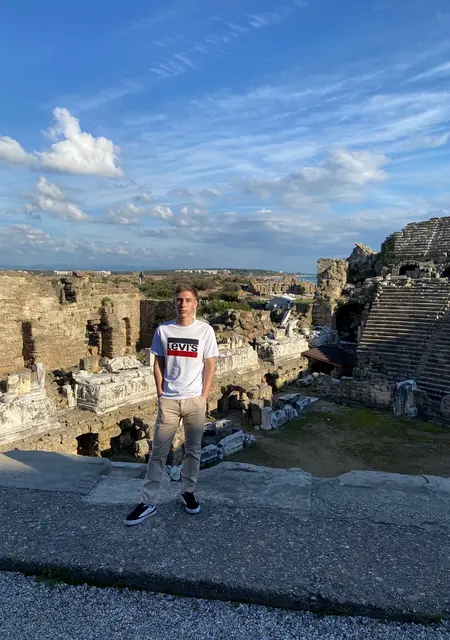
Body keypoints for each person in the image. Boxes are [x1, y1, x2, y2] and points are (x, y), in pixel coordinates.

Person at [124, 284, 219, 526]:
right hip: (169, 399)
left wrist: (203, 396)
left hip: (194, 399)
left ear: (196, 303)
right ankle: (148, 501)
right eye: (179, 300)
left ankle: (188, 491)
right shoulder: (163, 330)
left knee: (193, 450)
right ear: (174, 303)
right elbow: (158, 362)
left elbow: (210, 364)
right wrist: (160, 392)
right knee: (159, 452)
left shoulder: (205, 331)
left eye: (187, 300)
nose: (182, 304)